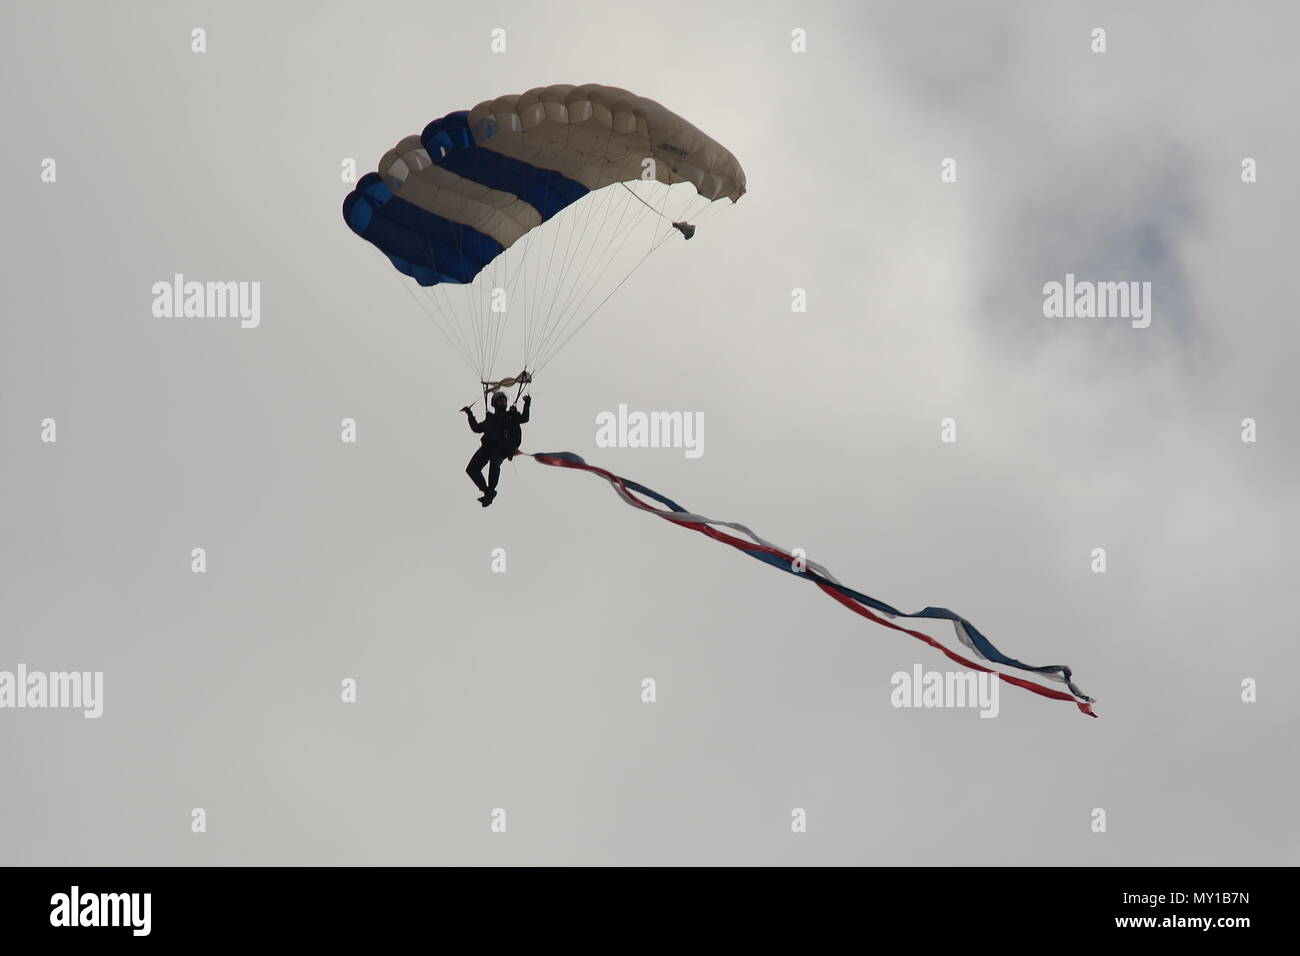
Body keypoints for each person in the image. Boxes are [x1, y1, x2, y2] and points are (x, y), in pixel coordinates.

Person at [462, 391, 531, 506]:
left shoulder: (511, 416)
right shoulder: (491, 419)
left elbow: (524, 418)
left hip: (501, 448)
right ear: (494, 403)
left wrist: (527, 403)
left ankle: (490, 490)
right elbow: (476, 428)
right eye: (500, 401)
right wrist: (469, 414)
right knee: (471, 469)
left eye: (504, 400)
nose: (503, 402)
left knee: (494, 463)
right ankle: (488, 492)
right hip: (487, 448)